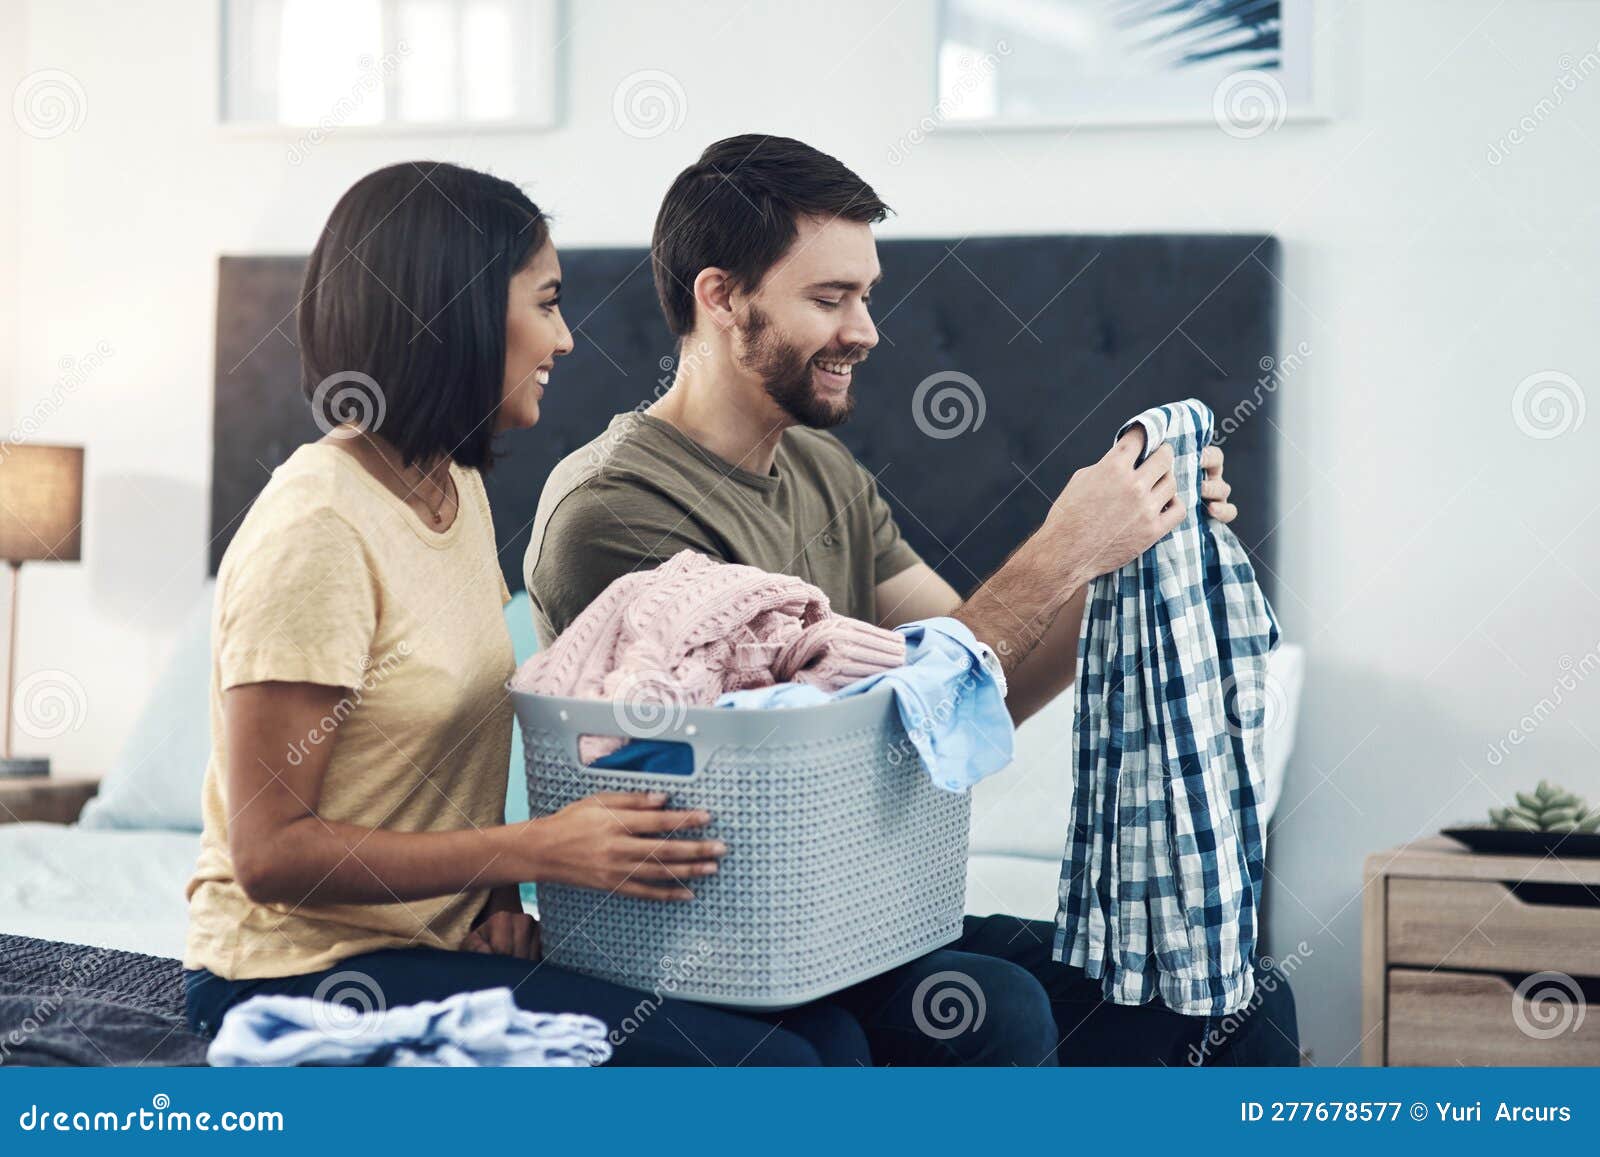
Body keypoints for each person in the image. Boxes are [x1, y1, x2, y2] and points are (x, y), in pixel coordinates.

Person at [523, 135, 1300, 1066]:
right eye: (829, 298)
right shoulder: (615, 509)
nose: (865, 331)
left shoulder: (821, 468)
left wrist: (1121, 552)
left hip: (852, 910)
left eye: (866, 296)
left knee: (1240, 999)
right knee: (999, 1010)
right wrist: (1060, 545)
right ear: (721, 296)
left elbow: (971, 686)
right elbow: (799, 780)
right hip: (725, 932)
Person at [181, 160, 869, 1067]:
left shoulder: (452, 485)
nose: (566, 339)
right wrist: (532, 852)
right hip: (297, 970)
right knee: (778, 1068)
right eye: (546, 303)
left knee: (827, 1033)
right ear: (458, 314)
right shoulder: (318, 529)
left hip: (435, 941)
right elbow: (270, 854)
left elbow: (446, 755)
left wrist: (499, 901)